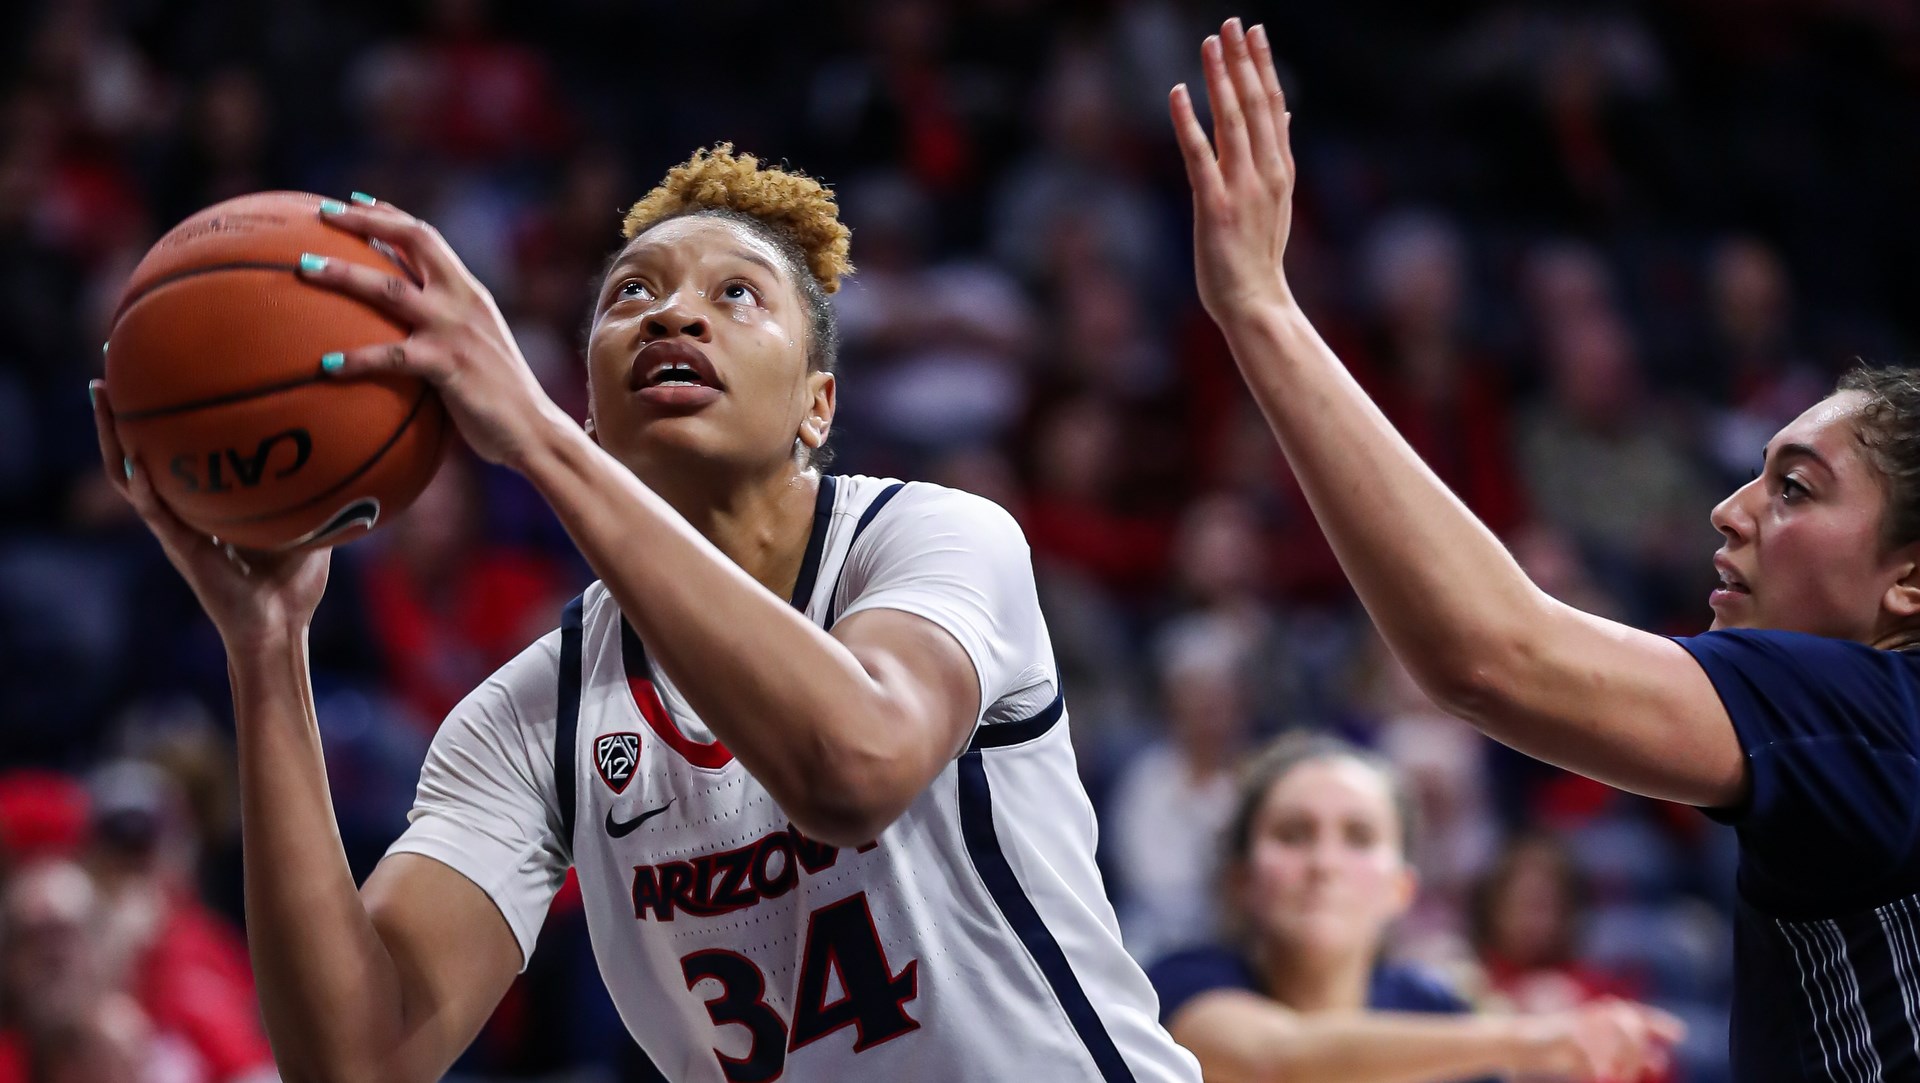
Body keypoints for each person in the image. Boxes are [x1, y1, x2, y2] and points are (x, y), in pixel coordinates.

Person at [91, 145, 1201, 1083]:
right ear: (594, 394)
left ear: (819, 405)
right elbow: (356, 1057)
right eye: (632, 293)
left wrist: (536, 442)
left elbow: (853, 771)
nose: (673, 309)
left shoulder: (930, 540)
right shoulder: (534, 712)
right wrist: (266, 645)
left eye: (736, 296)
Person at [1173, 17, 1920, 1079]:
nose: (1728, 509)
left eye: (1794, 489)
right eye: (1294, 836)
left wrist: (1259, 305)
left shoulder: (1871, 712)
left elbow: (1495, 655)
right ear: (1234, 875)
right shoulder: (1197, 976)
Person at [1150, 731, 1679, 1083]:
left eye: (1358, 837)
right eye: (1293, 834)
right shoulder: (1182, 983)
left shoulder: (1432, 1007)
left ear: (1401, 888)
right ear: (1241, 879)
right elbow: (1280, 1059)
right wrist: (1527, 1036)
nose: (1324, 862)